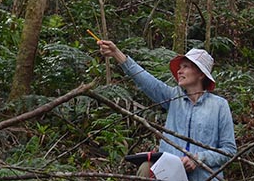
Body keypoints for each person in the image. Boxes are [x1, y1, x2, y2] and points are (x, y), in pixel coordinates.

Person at [98, 40, 237, 180]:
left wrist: (199, 159)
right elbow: (145, 80)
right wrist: (117, 53)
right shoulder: (173, 97)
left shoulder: (219, 106)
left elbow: (229, 151)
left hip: (205, 176)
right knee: (146, 168)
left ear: (201, 74)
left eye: (186, 67)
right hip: (169, 175)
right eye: (180, 67)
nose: (179, 71)